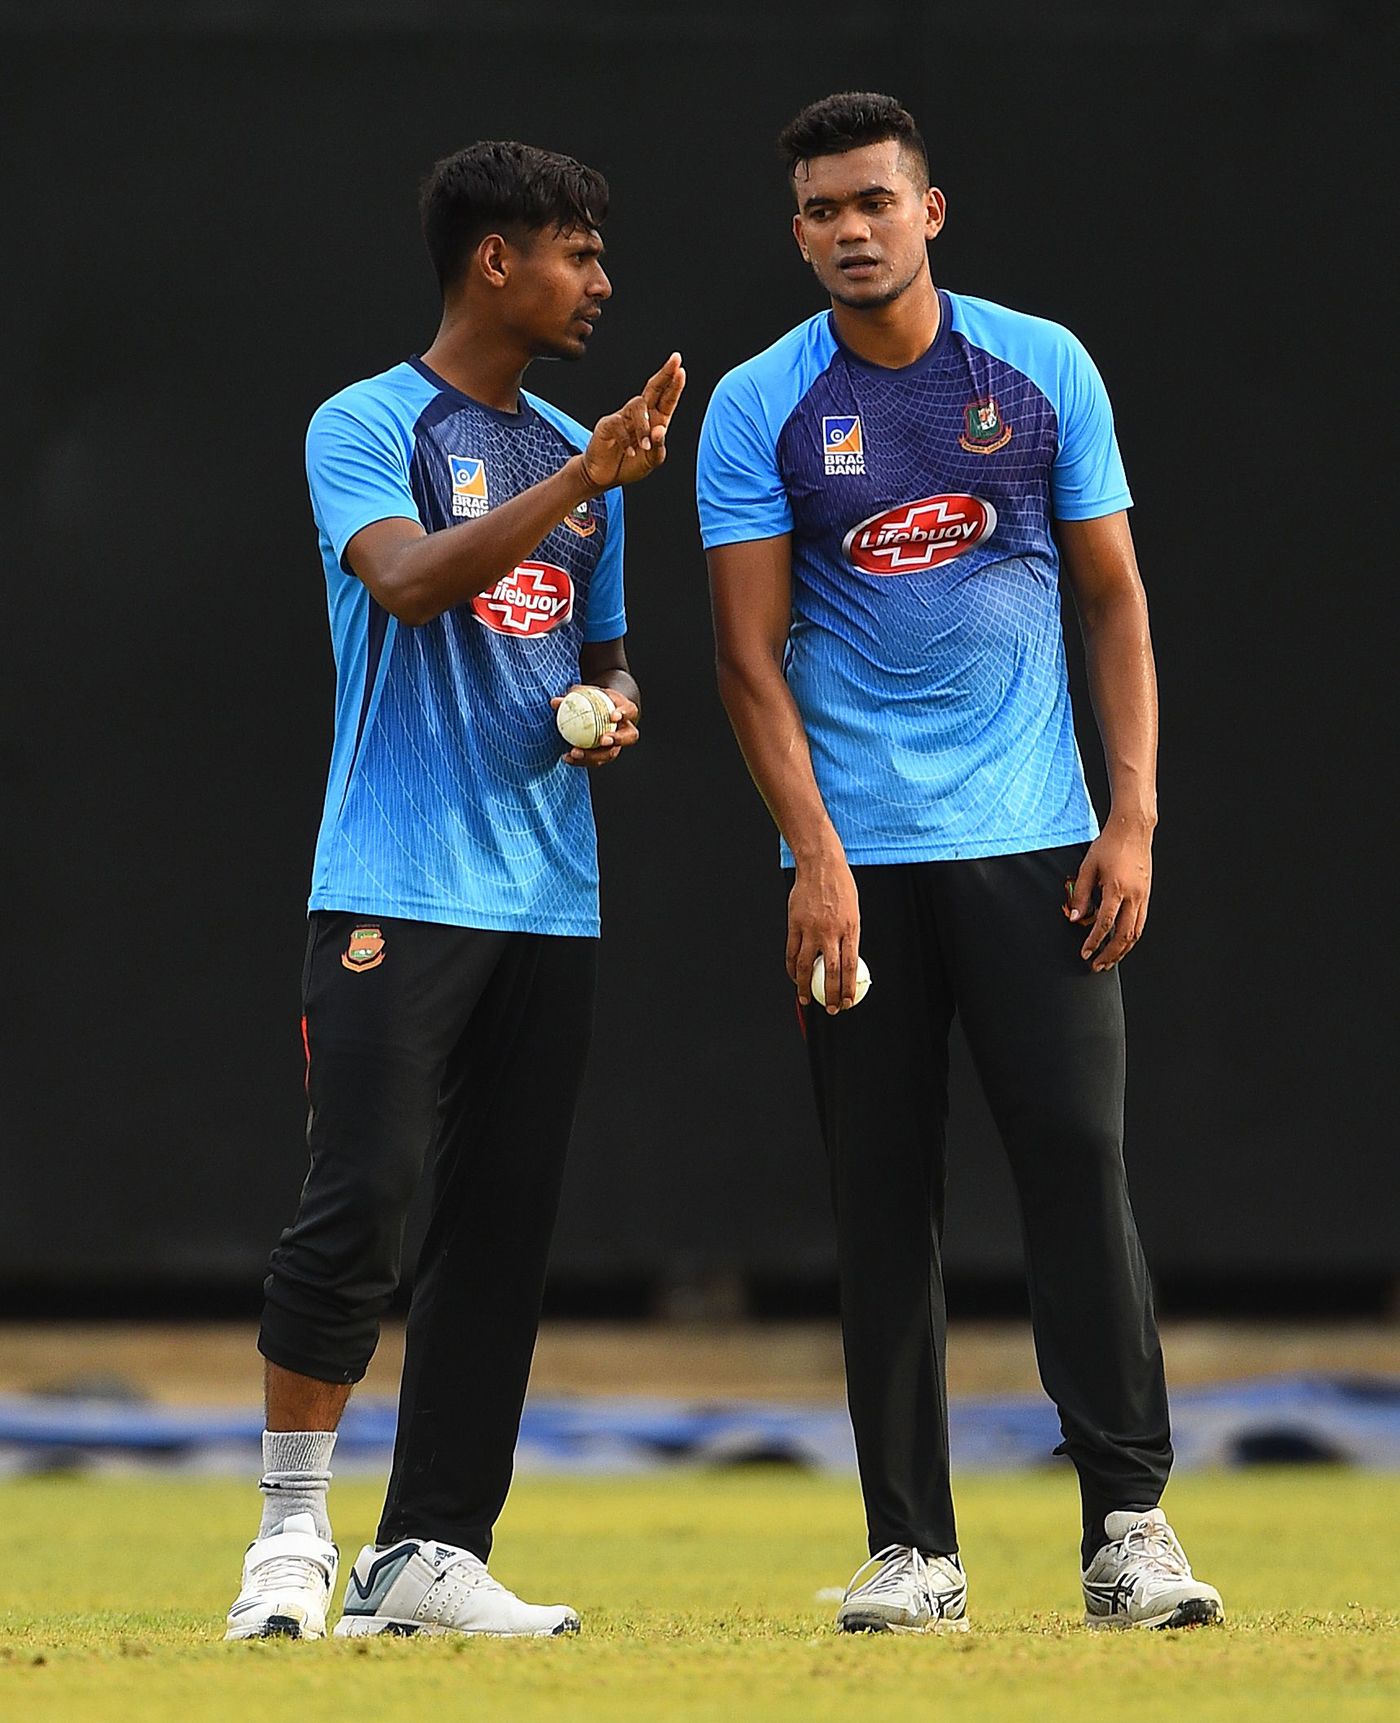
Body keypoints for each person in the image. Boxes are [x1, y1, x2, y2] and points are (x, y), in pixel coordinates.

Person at [697, 91, 1221, 1634]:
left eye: (873, 200)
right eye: (818, 210)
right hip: (856, 867)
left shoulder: (1038, 367)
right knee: (882, 1203)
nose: (848, 230)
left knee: (1077, 1175)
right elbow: (743, 658)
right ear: (795, 232)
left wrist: (1129, 816)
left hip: (1035, 847)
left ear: (932, 210)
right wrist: (814, 855)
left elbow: (1113, 597)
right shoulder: (759, 403)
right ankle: (912, 1551)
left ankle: (1130, 1529)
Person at [224, 139, 684, 1642]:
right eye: (578, 254)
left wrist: (613, 706)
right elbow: (411, 580)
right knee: (359, 1202)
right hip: (394, 882)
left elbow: (598, 652)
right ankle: (291, 1537)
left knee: (498, 1227)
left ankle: (429, 1551)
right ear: (497, 260)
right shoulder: (366, 422)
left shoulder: (581, 455)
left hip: (548, 895)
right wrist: (578, 475)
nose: (601, 282)